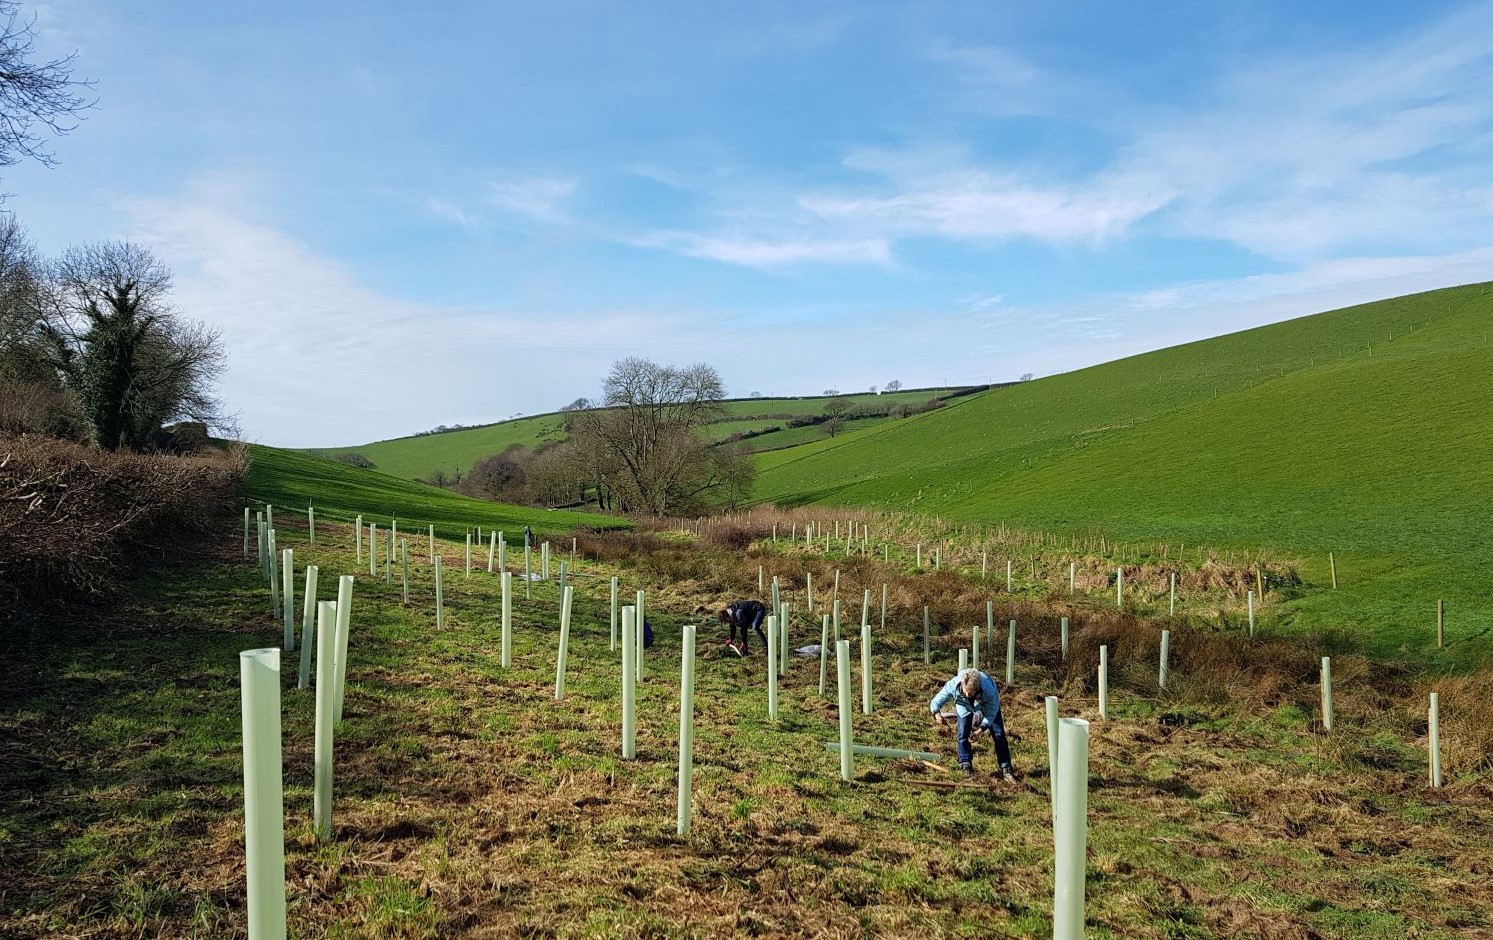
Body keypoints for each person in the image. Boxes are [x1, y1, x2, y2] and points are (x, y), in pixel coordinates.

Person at [929, 668, 1018, 782]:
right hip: (963, 707)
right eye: (964, 690)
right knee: (962, 734)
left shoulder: (989, 692)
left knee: (998, 734)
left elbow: (991, 714)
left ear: (976, 689)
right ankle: (965, 764)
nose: (966, 694)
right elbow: (936, 701)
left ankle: (1006, 768)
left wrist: (979, 730)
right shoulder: (954, 685)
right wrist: (937, 714)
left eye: (969, 693)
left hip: (986, 705)